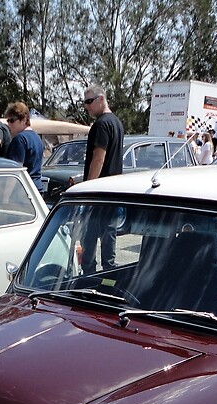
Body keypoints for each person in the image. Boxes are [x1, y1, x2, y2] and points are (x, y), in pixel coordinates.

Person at [80, 84, 124, 274]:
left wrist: (88, 189)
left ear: (101, 99)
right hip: (113, 192)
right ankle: (108, 275)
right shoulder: (116, 123)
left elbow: (98, 158)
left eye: (89, 101)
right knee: (109, 236)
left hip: (99, 193)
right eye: (84, 102)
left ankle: (88, 277)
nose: (87, 106)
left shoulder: (101, 124)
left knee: (89, 239)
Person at [4, 101, 43, 187]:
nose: (9, 124)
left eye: (12, 120)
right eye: (8, 120)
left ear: (24, 120)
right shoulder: (37, 138)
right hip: (37, 188)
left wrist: (5, 197)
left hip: (23, 190)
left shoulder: (19, 139)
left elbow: (15, 172)